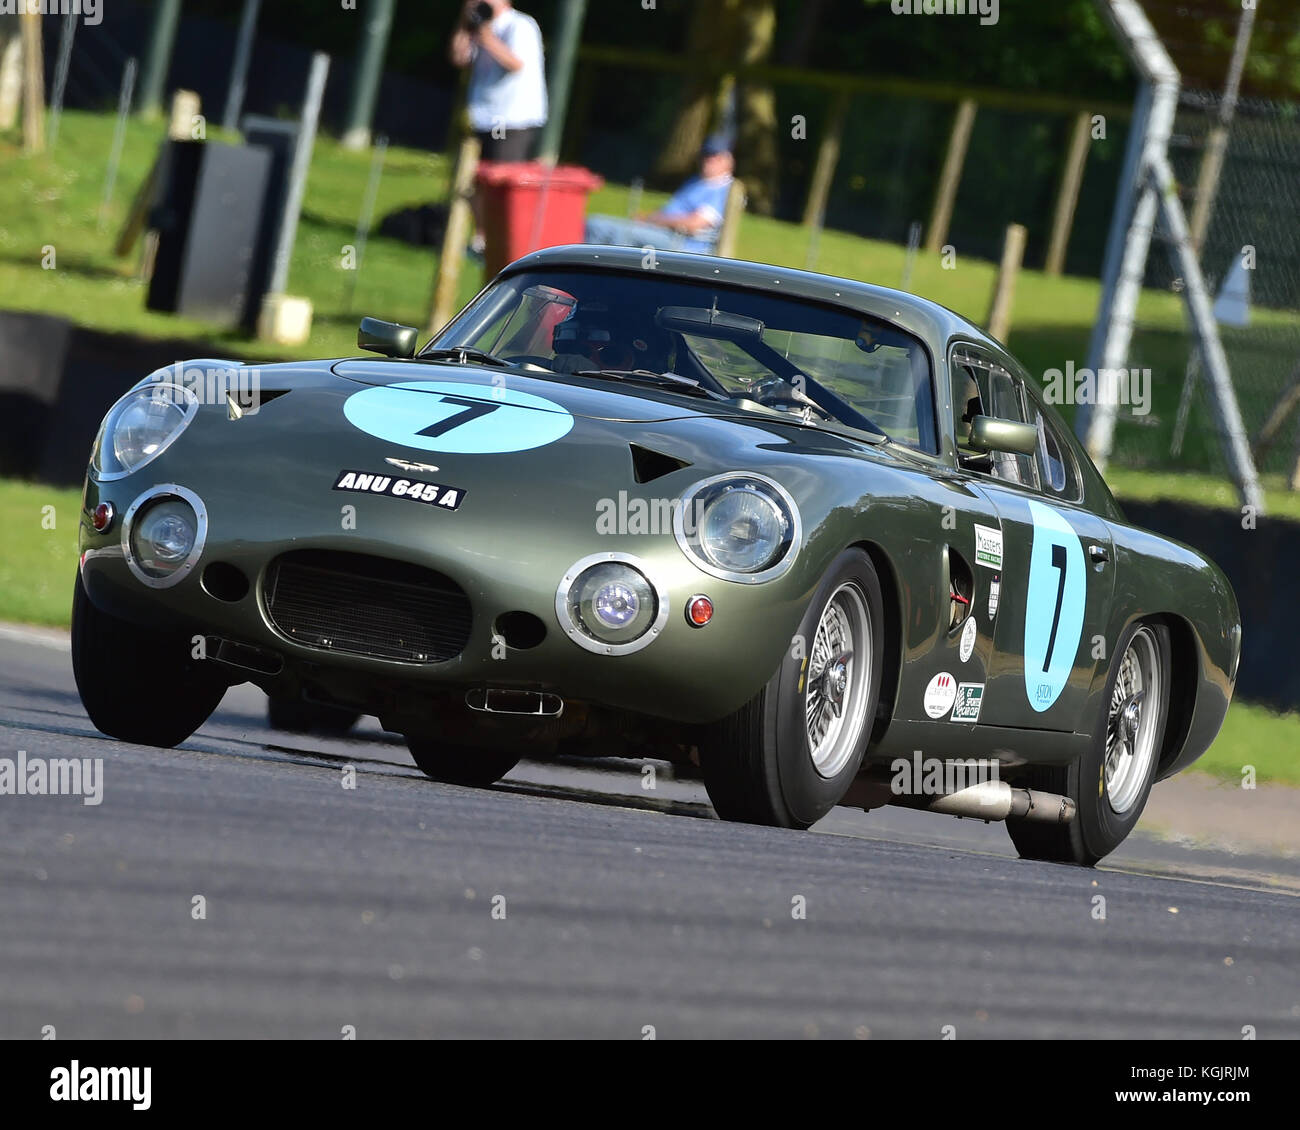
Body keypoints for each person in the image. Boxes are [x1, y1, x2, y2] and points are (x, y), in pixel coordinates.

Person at [585, 137, 736, 254]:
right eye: (706, 155)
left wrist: (653, 219)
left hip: (680, 242)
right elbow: (672, 210)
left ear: (729, 160)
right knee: (595, 223)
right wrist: (647, 218)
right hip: (660, 231)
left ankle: (607, 278)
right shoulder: (695, 181)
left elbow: (694, 224)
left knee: (616, 233)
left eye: (716, 156)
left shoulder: (724, 189)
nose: (709, 160)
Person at [449, 0, 548, 163]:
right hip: (483, 118)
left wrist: (487, 38)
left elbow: (515, 64)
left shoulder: (519, 25)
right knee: (473, 178)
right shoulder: (481, 26)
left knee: (498, 174)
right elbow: (459, 58)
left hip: (507, 120)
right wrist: (464, 23)